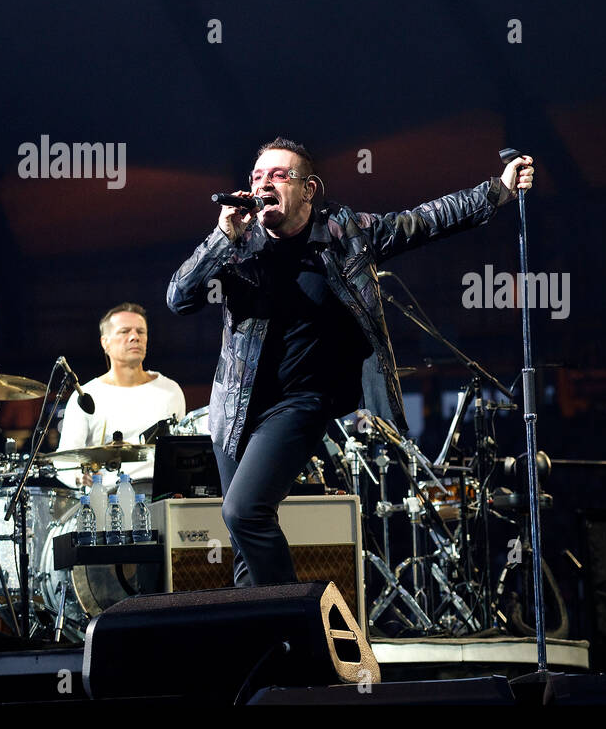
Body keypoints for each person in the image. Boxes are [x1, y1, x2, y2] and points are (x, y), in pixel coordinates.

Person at [167, 137, 533, 587]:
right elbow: (179, 297)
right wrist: (224, 234)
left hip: (302, 402)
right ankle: (265, 641)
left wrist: (497, 189)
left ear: (308, 189)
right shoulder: (238, 243)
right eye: (257, 176)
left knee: (242, 510)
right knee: (246, 536)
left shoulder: (347, 232)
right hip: (234, 405)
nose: (264, 184)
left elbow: (425, 220)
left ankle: (296, 625)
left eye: (279, 175)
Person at [57, 302, 186, 484]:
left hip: (163, 495)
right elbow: (63, 462)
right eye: (125, 331)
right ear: (105, 342)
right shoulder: (85, 396)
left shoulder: (170, 390)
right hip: (108, 498)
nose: (134, 337)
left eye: (140, 331)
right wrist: (79, 477)